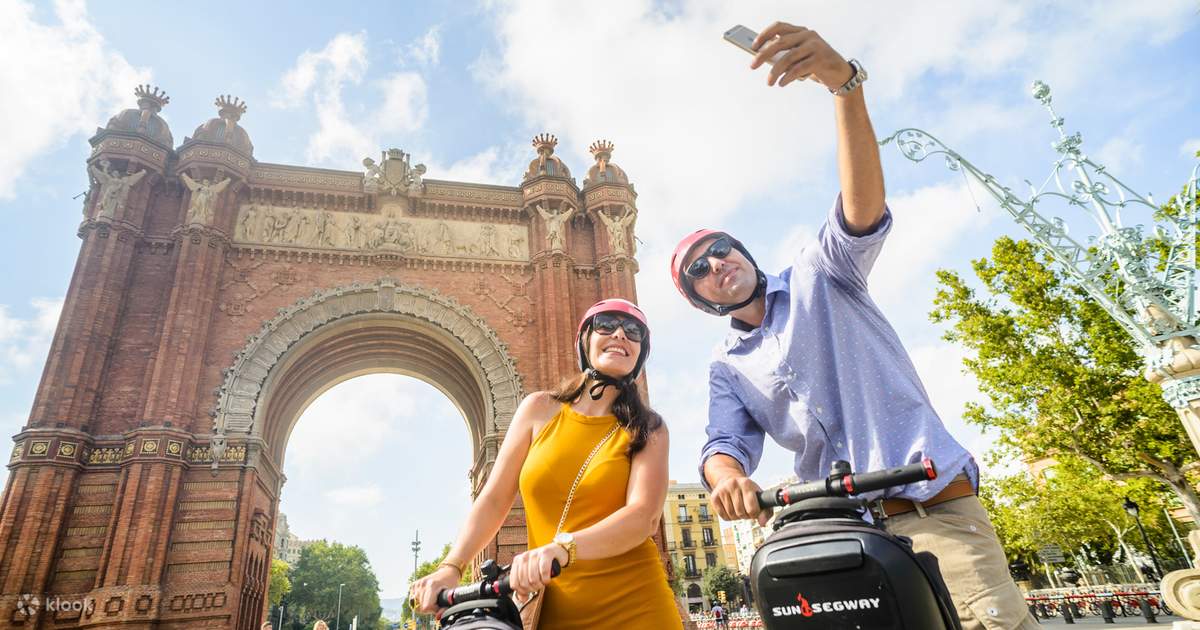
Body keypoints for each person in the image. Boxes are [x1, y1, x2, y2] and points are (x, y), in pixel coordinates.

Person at [670, 21, 1039, 630]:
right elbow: (722, 442)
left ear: (744, 252)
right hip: (835, 535)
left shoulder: (823, 271)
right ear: (699, 299)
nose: (717, 264)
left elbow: (859, 210)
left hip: (930, 514)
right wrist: (727, 475)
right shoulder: (725, 365)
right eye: (699, 270)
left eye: (722, 248)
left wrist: (845, 88)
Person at [410, 299, 680, 629]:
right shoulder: (537, 409)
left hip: (639, 608)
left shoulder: (649, 428)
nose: (621, 334)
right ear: (585, 340)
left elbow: (643, 517)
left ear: (640, 351)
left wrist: (564, 548)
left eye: (634, 331)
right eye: (607, 325)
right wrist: (451, 566)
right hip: (553, 611)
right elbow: (495, 498)